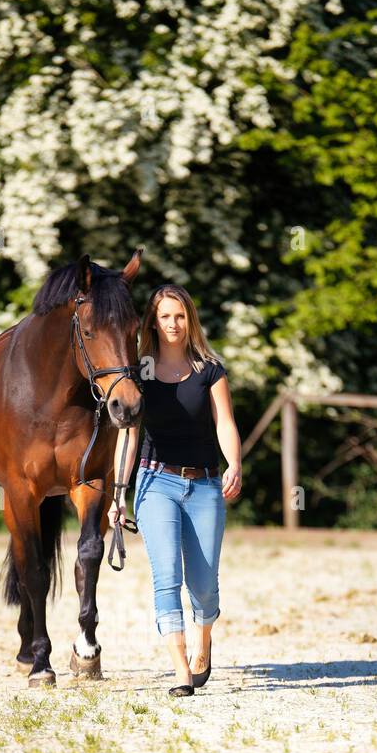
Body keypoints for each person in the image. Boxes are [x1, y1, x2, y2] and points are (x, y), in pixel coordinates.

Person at [109, 283, 242, 696]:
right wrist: (117, 494)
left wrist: (234, 463)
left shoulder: (209, 369)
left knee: (203, 585)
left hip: (203, 483)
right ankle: (181, 670)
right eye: (165, 316)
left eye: (180, 316)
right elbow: (128, 436)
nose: (173, 324)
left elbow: (224, 423)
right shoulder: (141, 372)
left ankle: (204, 640)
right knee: (166, 577)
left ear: (190, 320)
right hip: (155, 482)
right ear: (153, 321)